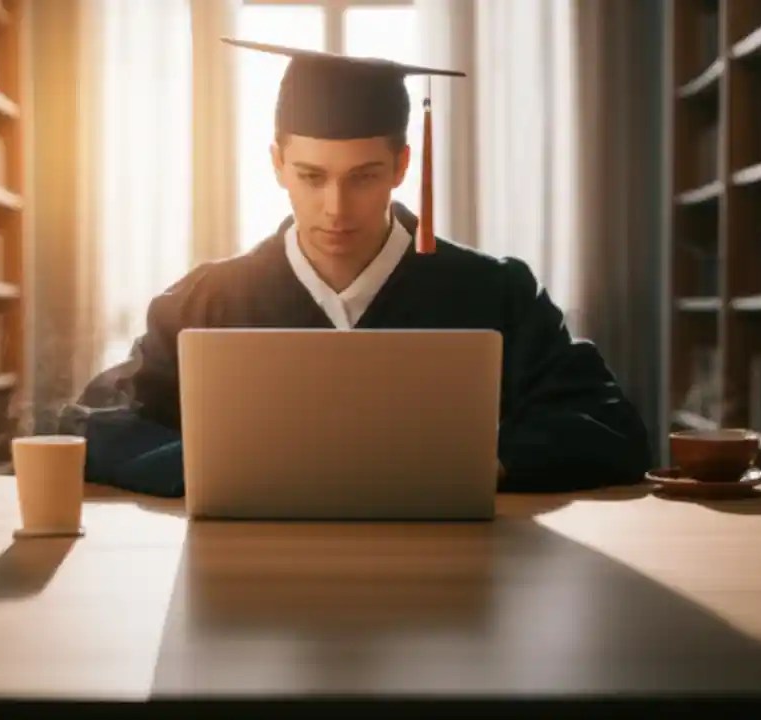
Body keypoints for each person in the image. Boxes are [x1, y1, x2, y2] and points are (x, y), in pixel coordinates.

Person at [57, 39, 652, 498]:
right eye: (311, 176)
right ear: (278, 165)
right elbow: (93, 423)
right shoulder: (209, 300)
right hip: (251, 576)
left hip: (456, 575)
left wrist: (485, 463)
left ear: (401, 165)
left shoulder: (495, 293)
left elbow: (608, 427)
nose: (335, 209)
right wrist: (213, 468)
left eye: (363, 177)